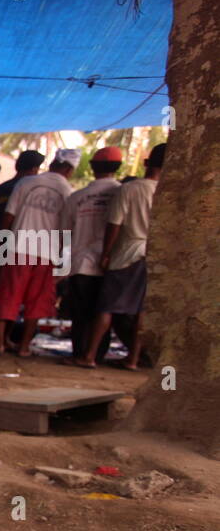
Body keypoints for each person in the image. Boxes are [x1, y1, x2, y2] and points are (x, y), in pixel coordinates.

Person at [76, 143, 164, 371]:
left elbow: (114, 224)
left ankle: (89, 356)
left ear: (146, 163)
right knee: (141, 312)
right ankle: (132, 360)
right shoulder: (169, 192)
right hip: (152, 255)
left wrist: (105, 254)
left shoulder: (130, 189)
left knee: (106, 307)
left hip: (126, 253)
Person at [0, 148, 77, 357]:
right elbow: (67, 230)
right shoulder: (68, 192)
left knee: (7, 295)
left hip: (18, 247)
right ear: (69, 169)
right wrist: (63, 257)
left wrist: (0, 245)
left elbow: (8, 217)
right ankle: (24, 347)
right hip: (47, 253)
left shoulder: (26, 183)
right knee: (37, 302)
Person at [62, 146, 122, 361]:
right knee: (104, 311)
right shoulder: (122, 193)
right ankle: (98, 354)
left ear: (92, 167)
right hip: (112, 263)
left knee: (81, 314)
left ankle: (80, 353)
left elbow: (65, 233)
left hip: (81, 263)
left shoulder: (77, 197)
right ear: (118, 167)